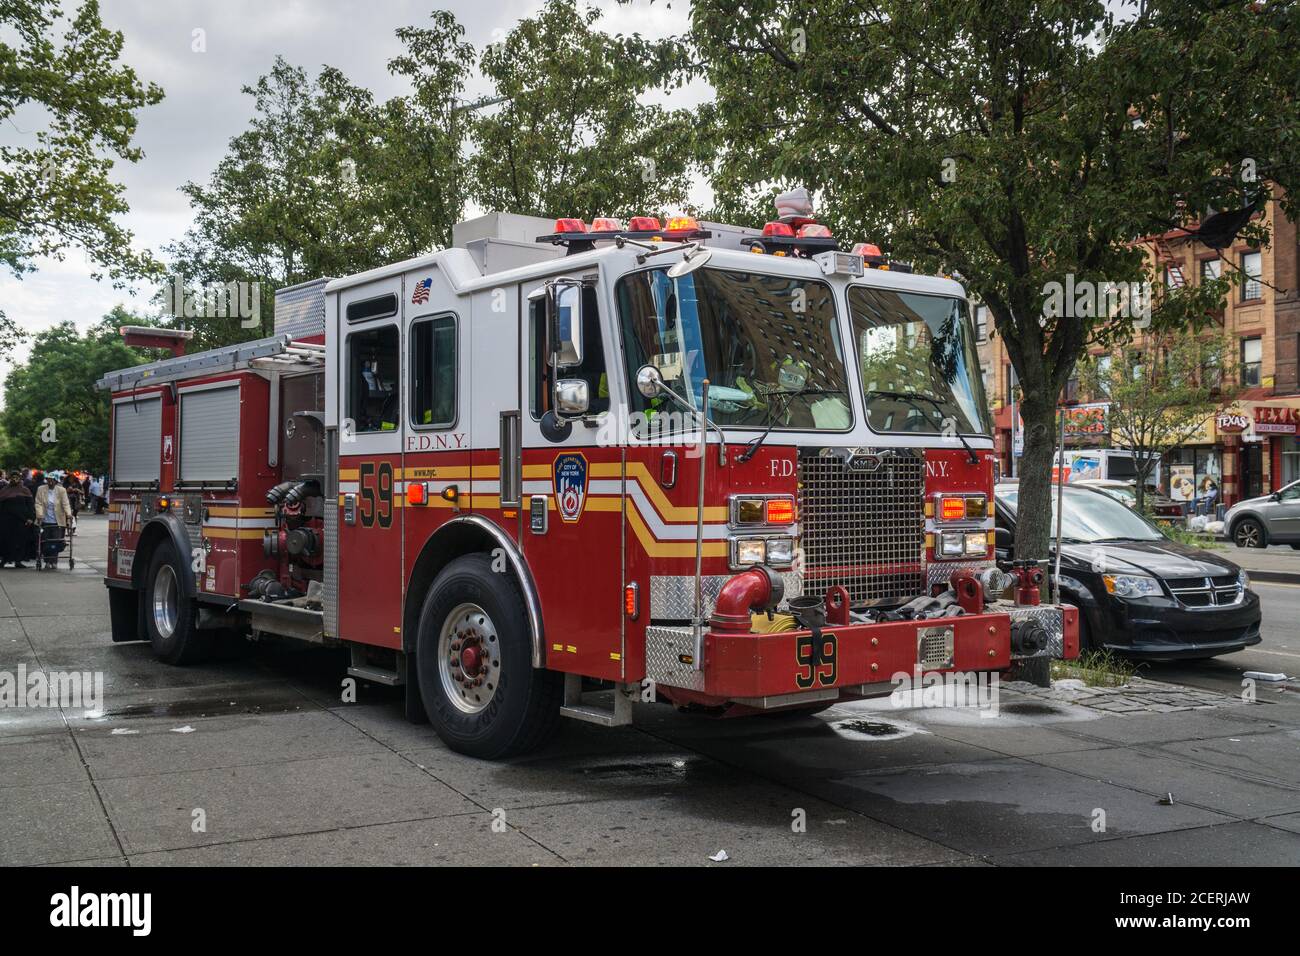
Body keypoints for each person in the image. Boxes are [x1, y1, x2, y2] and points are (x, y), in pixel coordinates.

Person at [33, 472, 71, 569]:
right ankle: (46, 561)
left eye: (52, 480)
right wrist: (39, 515)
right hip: (45, 520)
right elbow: (38, 503)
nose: (50, 481)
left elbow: (65, 504)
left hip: (57, 520)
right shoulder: (41, 489)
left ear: (56, 481)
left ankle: (54, 561)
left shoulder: (61, 490)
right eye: (48, 479)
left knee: (56, 542)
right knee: (45, 542)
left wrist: (68, 514)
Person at [0, 471, 36, 568]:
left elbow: (30, 505)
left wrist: (30, 518)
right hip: (6, 520)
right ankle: (4, 559)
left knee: (20, 540)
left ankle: (18, 560)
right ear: (9, 478)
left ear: (20, 479)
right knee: (5, 541)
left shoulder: (25, 490)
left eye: (16, 477)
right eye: (12, 477)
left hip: (21, 520)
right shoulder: (4, 490)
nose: (14, 479)